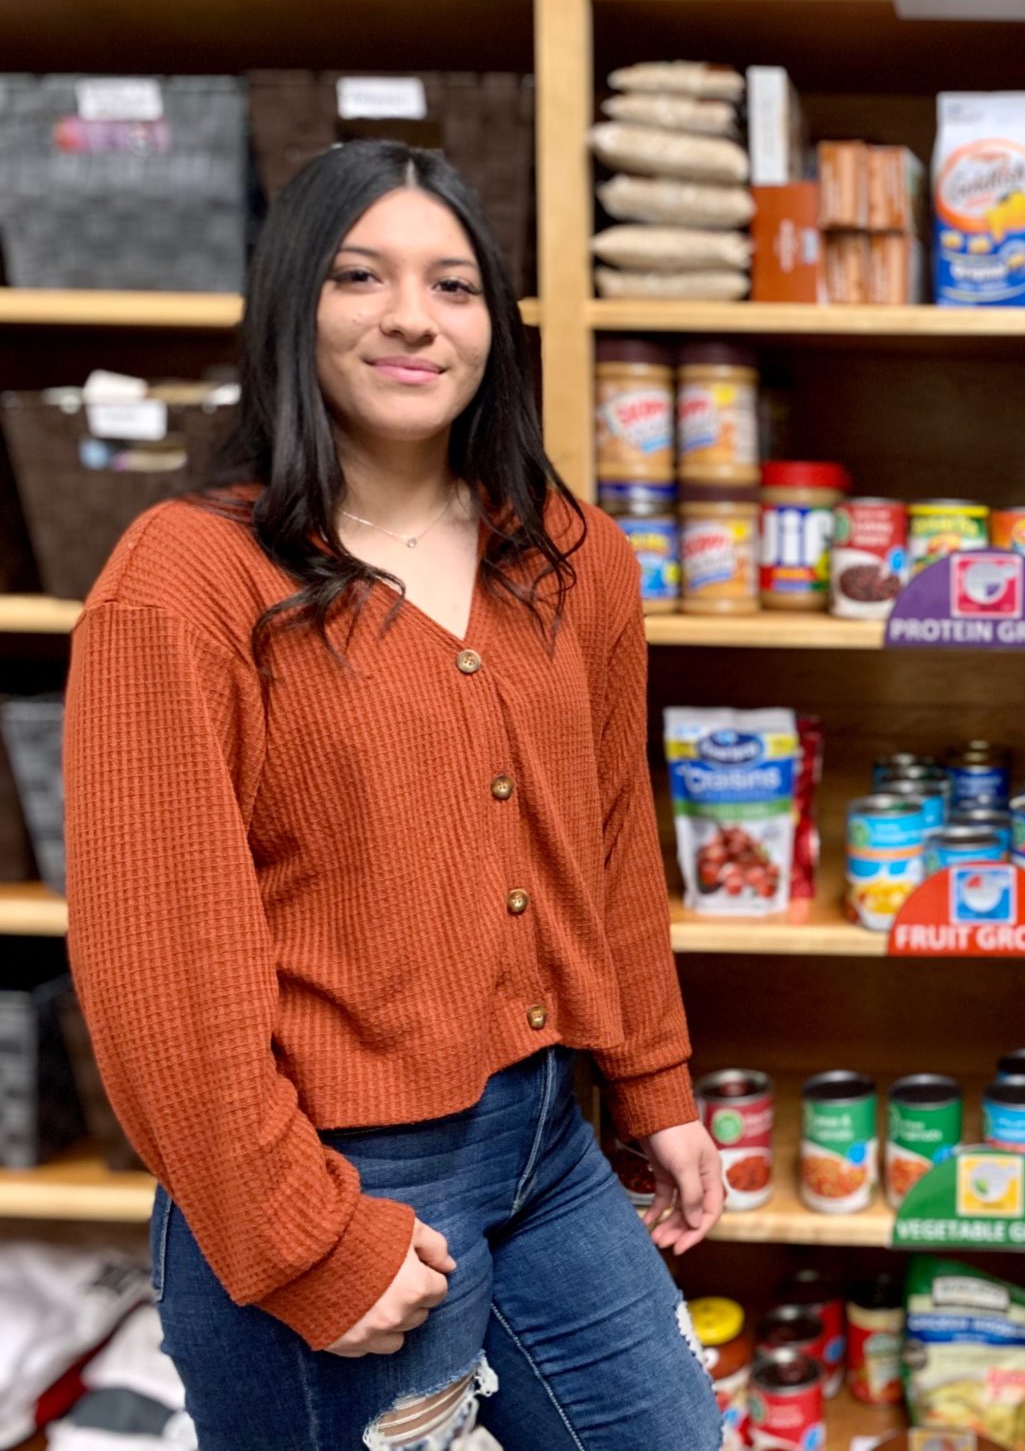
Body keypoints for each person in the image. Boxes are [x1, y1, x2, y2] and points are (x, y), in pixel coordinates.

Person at [65, 140, 725, 1450]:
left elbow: (607, 836)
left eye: (456, 285)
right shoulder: (188, 579)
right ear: (290, 305)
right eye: (361, 276)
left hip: (544, 1131)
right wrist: (296, 1234)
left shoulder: (570, 558)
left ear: (497, 325)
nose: (414, 317)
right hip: (332, 1162)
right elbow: (159, 970)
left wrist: (654, 1083)